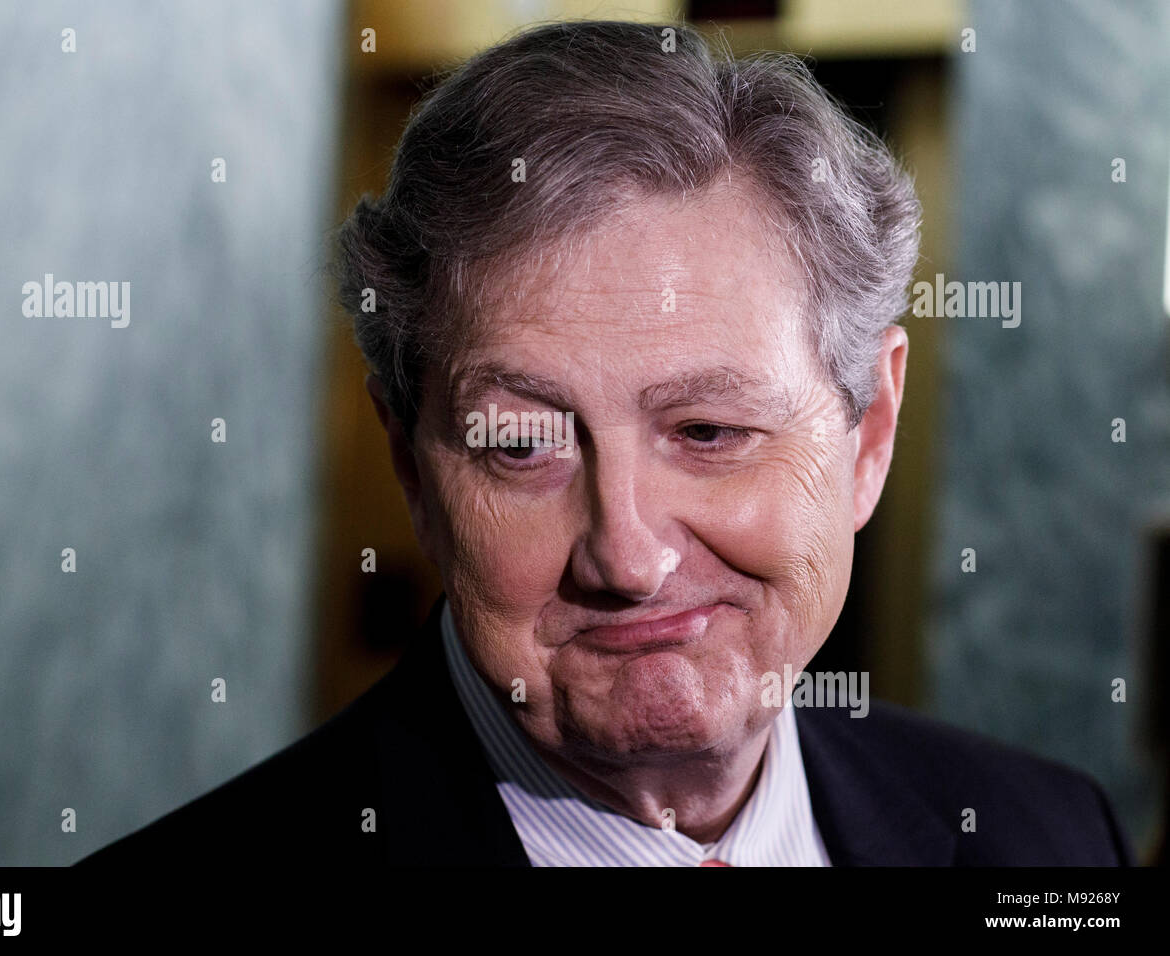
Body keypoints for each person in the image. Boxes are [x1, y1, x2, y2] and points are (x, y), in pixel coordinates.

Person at [79, 19, 1130, 867]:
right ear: (410, 464)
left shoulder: (1050, 839)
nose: (626, 556)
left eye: (709, 431)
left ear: (868, 436)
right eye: (523, 445)